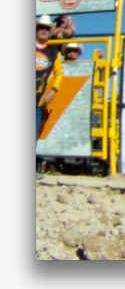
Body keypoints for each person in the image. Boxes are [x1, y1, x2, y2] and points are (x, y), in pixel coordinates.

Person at [36, 15, 63, 180]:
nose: (44, 31)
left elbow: (59, 74)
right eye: (41, 27)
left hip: (37, 100)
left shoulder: (54, 52)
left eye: (47, 28)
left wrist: (53, 90)